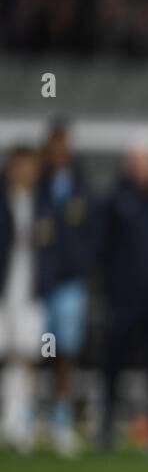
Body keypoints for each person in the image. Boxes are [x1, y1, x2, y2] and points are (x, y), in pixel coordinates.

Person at [99, 141, 148, 452]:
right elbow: (102, 246)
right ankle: (107, 423)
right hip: (125, 295)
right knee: (114, 360)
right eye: (137, 160)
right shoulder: (116, 198)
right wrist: (112, 285)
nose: (143, 167)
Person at [38, 121, 95, 456]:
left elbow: (91, 231)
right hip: (39, 282)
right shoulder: (37, 184)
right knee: (34, 350)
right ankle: (28, 413)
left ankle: (61, 416)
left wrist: (81, 263)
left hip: (70, 281)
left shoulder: (80, 185)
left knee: (66, 350)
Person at [0, 146, 53, 453]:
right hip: (4, 287)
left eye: (30, 166)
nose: (25, 172)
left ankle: (20, 420)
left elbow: (55, 246)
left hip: (30, 290)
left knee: (26, 354)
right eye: (20, 166)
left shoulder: (43, 204)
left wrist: (47, 278)